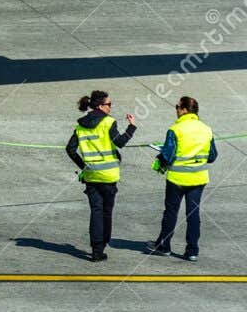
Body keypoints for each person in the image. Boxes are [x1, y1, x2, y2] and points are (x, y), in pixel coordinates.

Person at [65, 89, 136, 262]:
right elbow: (120, 142)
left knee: (95, 211)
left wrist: (84, 166)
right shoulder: (108, 122)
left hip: (91, 176)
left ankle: (96, 250)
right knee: (106, 212)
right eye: (109, 104)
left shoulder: (80, 126)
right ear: (101, 106)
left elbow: (70, 150)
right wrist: (132, 127)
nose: (111, 107)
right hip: (108, 176)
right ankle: (103, 244)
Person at [146, 96, 218, 262]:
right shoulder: (207, 129)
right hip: (198, 179)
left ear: (184, 110)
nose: (176, 110)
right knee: (193, 214)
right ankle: (192, 250)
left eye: (177, 107)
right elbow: (212, 156)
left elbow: (168, 156)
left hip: (177, 179)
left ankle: (164, 246)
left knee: (171, 212)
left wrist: (160, 158)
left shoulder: (175, 129)